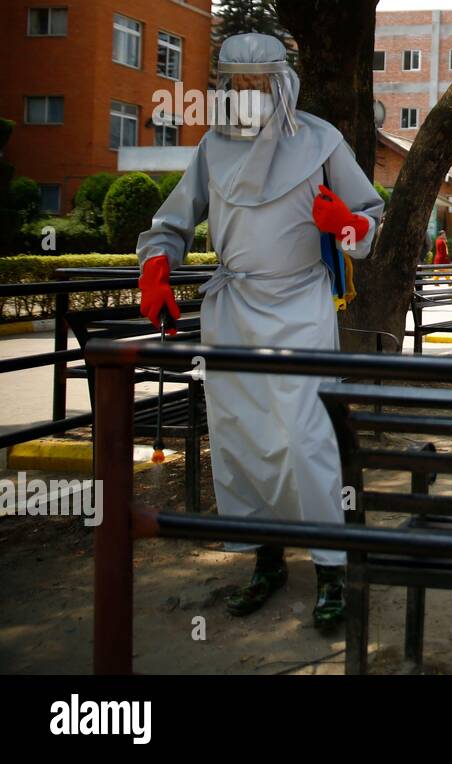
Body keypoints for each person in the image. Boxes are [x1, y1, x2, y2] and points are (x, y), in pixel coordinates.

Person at [137, 32, 384, 630]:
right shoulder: (211, 149)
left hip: (300, 304)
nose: (247, 94)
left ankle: (330, 568)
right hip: (233, 308)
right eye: (236, 84)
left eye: (257, 83)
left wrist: (344, 222)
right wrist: (155, 265)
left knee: (306, 436)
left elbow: (370, 221)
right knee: (242, 436)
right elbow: (171, 220)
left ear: (282, 82)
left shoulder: (322, 140)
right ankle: (266, 561)